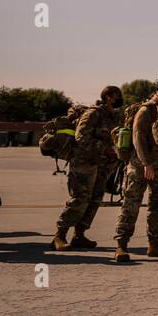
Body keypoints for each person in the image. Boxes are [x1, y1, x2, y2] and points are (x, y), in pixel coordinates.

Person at [113, 73, 158, 262]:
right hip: (140, 165)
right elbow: (138, 137)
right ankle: (121, 245)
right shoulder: (147, 110)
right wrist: (147, 163)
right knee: (131, 204)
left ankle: (155, 244)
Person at [52, 85, 123, 251]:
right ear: (108, 97)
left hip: (102, 166)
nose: (120, 98)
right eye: (117, 95)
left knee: (95, 199)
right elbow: (81, 137)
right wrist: (104, 148)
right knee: (79, 199)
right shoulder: (93, 113)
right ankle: (59, 235)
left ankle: (79, 235)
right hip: (84, 164)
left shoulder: (112, 116)